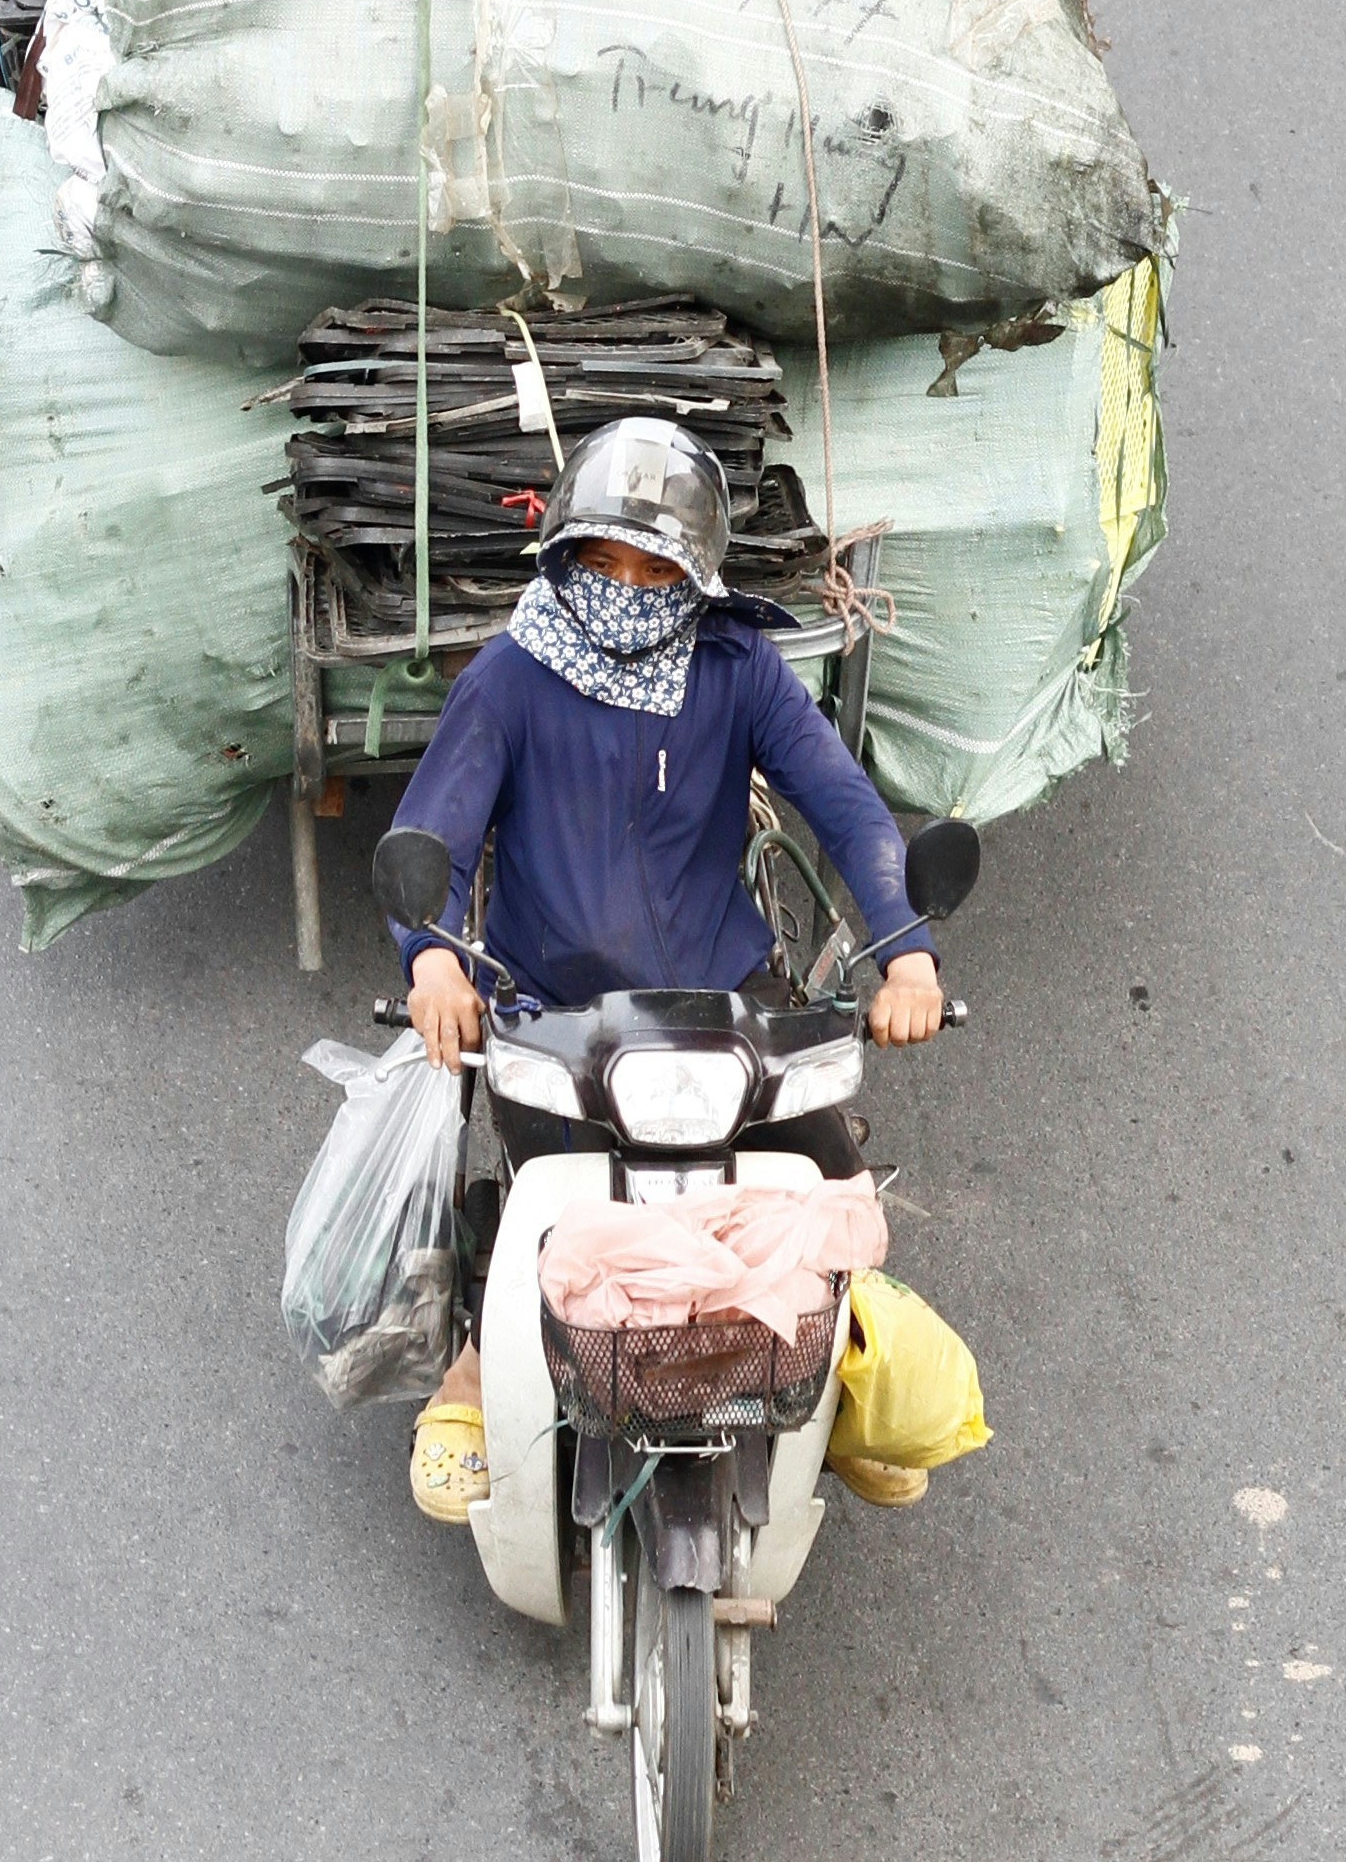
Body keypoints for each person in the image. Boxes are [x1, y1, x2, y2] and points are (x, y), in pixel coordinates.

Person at [386, 413, 943, 1520]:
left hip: (735, 1002)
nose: (627, 585)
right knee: (544, 1231)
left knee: (830, 1207)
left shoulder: (740, 669)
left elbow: (843, 806)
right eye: (603, 559)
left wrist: (906, 950)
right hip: (557, 1016)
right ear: (562, 549)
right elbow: (435, 838)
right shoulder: (506, 679)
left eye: (655, 567)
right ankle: (467, 1386)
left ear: (696, 576)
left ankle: (849, 1385)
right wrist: (434, 958)